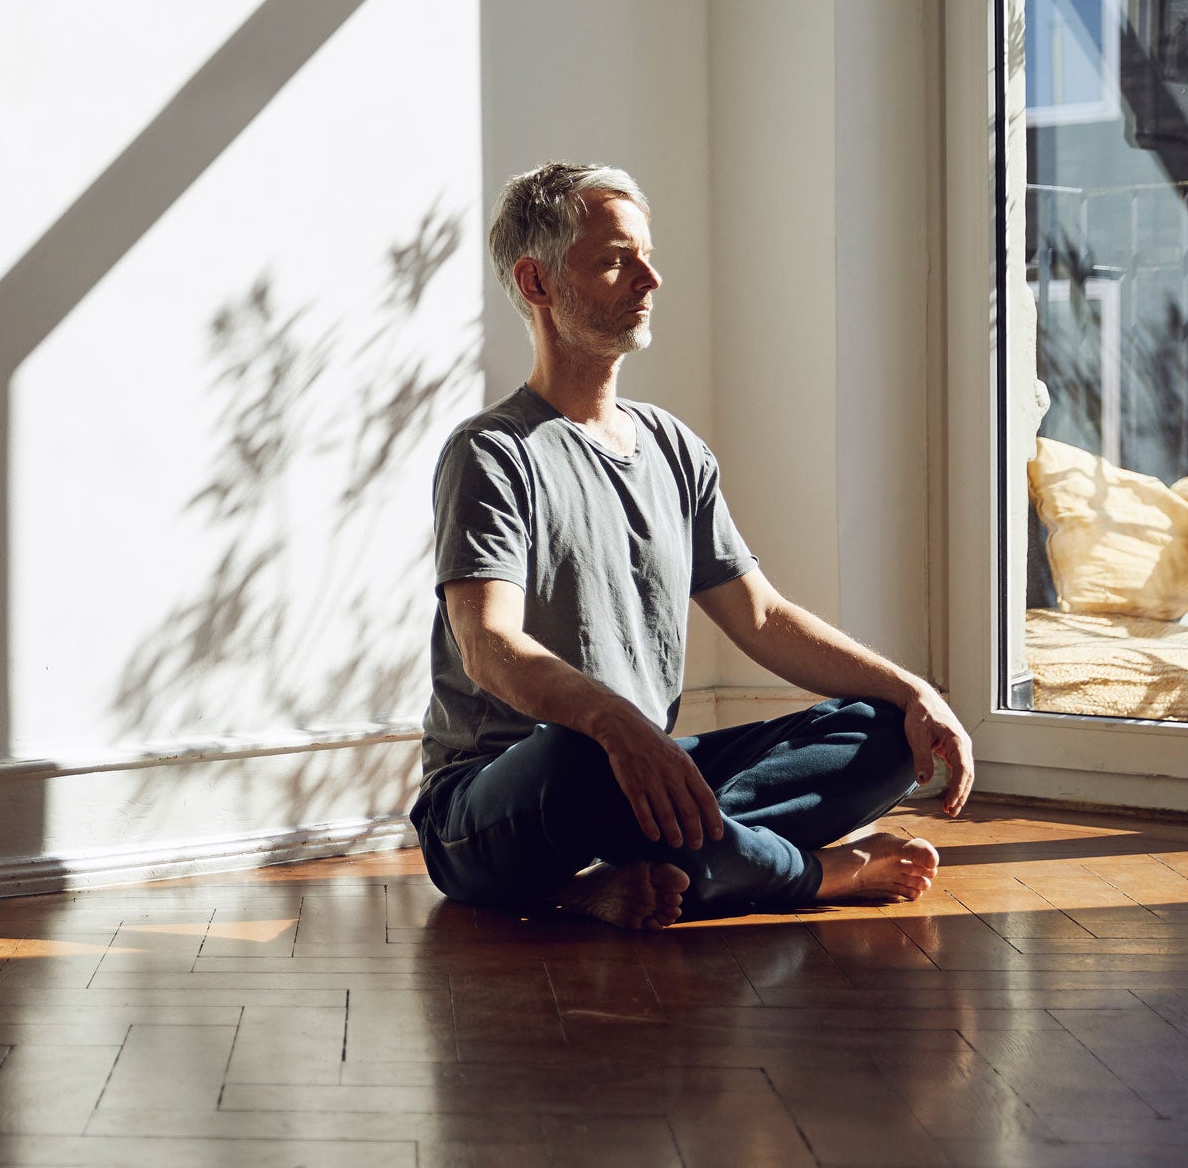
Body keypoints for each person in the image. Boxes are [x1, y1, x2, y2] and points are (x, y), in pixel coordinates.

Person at [412, 163, 974, 929]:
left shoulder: (673, 448)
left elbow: (763, 618)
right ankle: (803, 875)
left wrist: (914, 692)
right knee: (583, 754)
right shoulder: (493, 452)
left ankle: (641, 872)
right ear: (537, 284)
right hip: (504, 797)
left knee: (880, 732)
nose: (650, 278)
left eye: (646, 254)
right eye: (616, 260)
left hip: (639, 772)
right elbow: (488, 644)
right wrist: (613, 725)